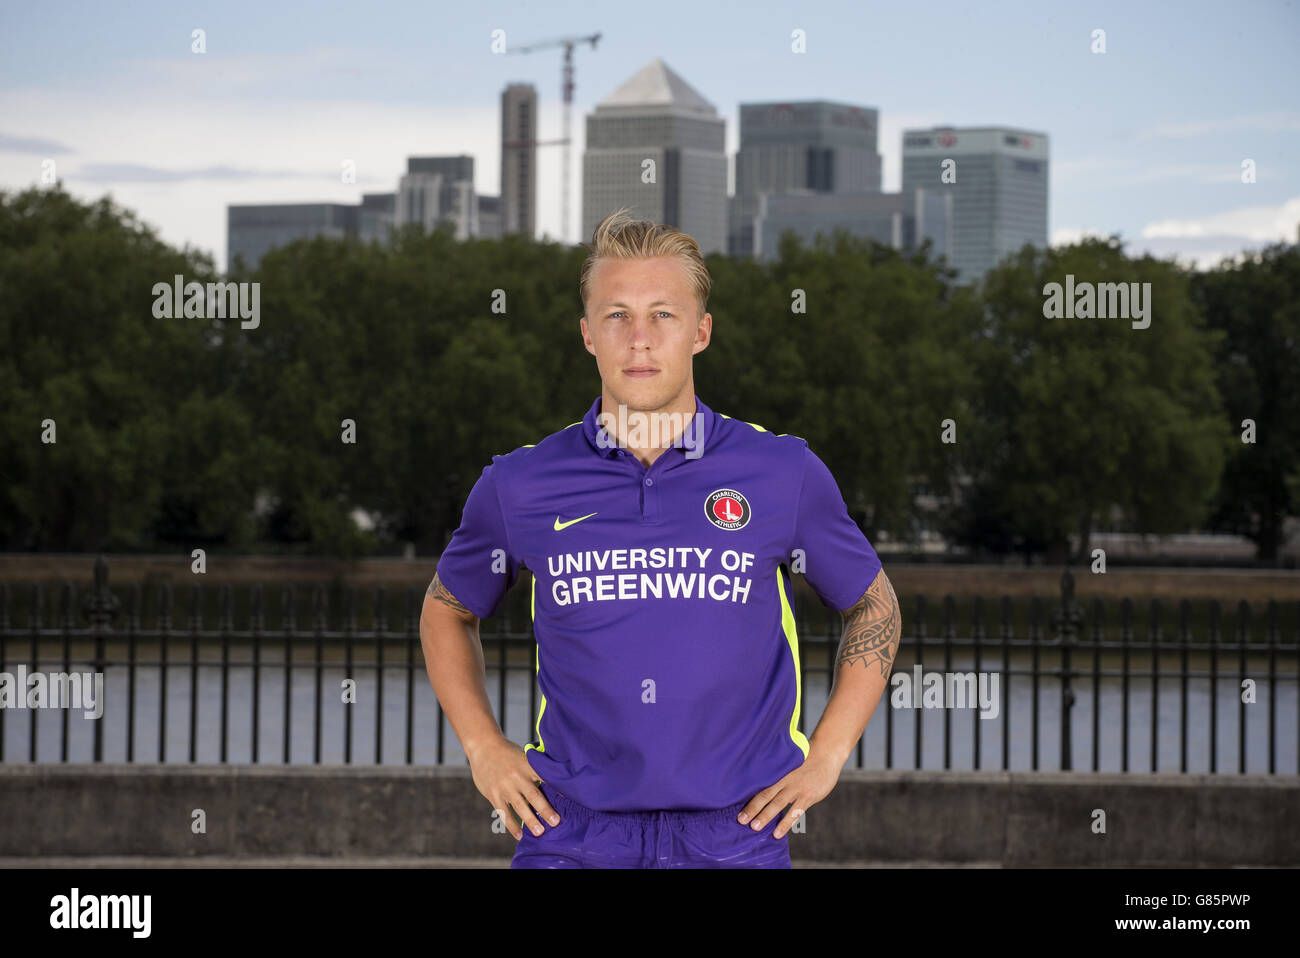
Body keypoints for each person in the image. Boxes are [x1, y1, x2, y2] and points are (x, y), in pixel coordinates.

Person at [420, 207, 901, 868]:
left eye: (663, 315)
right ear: (588, 333)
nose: (638, 339)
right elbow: (448, 610)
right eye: (617, 315)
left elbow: (876, 606)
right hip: (570, 833)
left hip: (735, 836)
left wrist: (828, 756)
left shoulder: (783, 472)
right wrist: (483, 748)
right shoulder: (521, 483)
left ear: (700, 331)